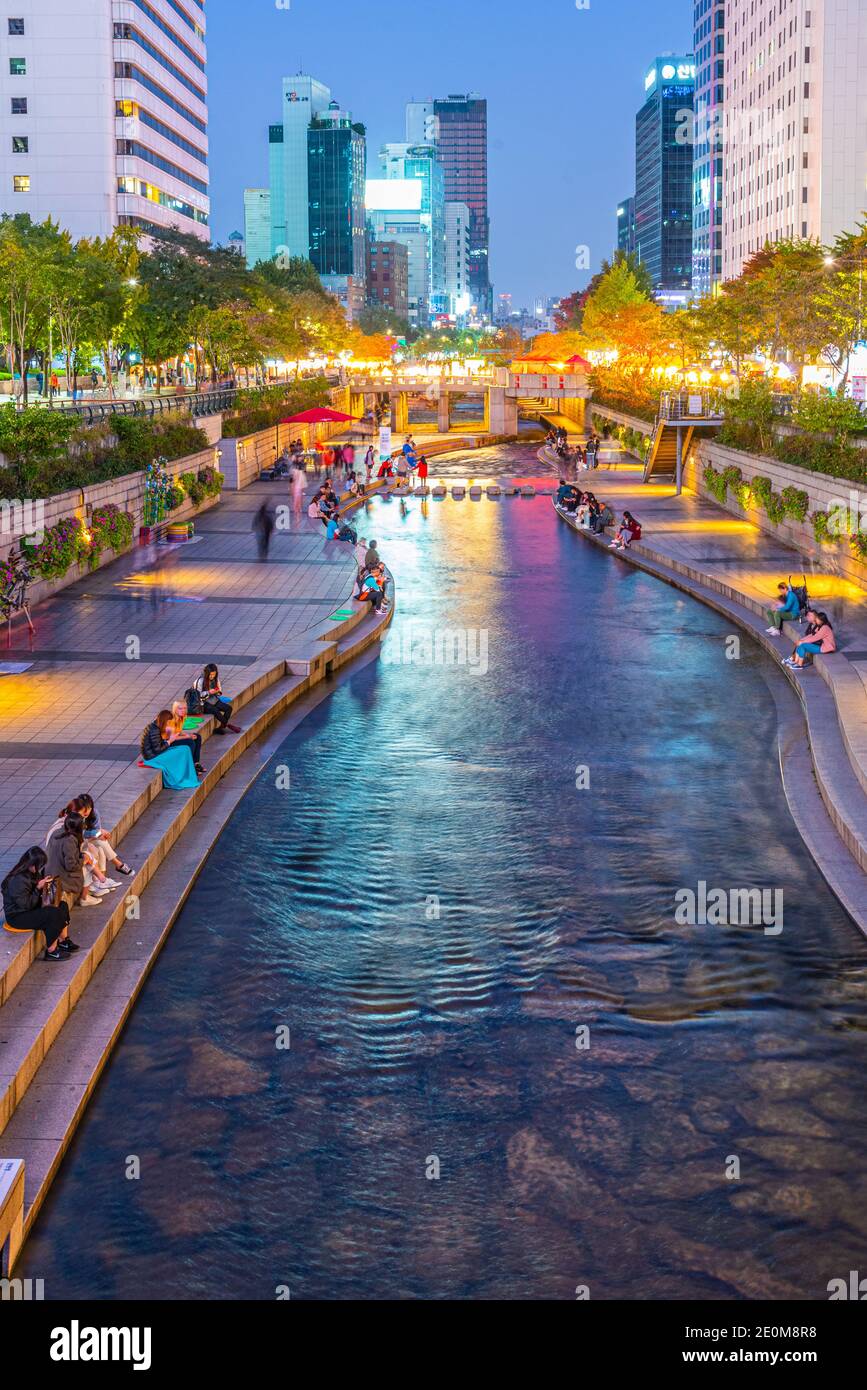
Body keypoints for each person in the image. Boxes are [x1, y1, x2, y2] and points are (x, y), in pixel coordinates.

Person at [2, 847, 77, 962]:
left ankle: (63, 941)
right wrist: (38, 888)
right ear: (31, 864)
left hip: (29, 908)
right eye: (39, 865)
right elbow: (25, 905)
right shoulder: (17, 880)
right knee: (52, 913)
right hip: (18, 916)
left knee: (62, 905)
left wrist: (46, 884)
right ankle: (51, 951)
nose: (40, 868)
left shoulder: (32, 873)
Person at [46, 812, 99, 911]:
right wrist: (84, 860)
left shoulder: (57, 832)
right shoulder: (70, 840)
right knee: (87, 868)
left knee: (88, 859)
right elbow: (71, 866)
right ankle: (84, 897)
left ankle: (96, 883)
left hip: (51, 870)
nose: (85, 827)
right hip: (60, 878)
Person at [140, 709, 202, 787]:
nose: (169, 725)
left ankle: (187, 772)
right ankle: (183, 776)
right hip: (152, 757)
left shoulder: (155, 726)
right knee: (184, 750)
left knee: (185, 748)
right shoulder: (154, 730)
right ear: (164, 721)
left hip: (155, 753)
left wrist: (170, 739)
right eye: (168, 722)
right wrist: (170, 741)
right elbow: (158, 750)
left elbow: (159, 744)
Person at [194, 663, 240, 735]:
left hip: (214, 699)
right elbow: (197, 695)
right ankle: (227, 725)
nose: (212, 676)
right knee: (215, 710)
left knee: (228, 708)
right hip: (203, 703)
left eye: (214, 674)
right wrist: (208, 692)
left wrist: (217, 691)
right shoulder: (199, 681)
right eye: (210, 675)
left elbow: (219, 690)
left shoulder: (216, 679)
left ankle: (221, 727)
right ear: (207, 673)